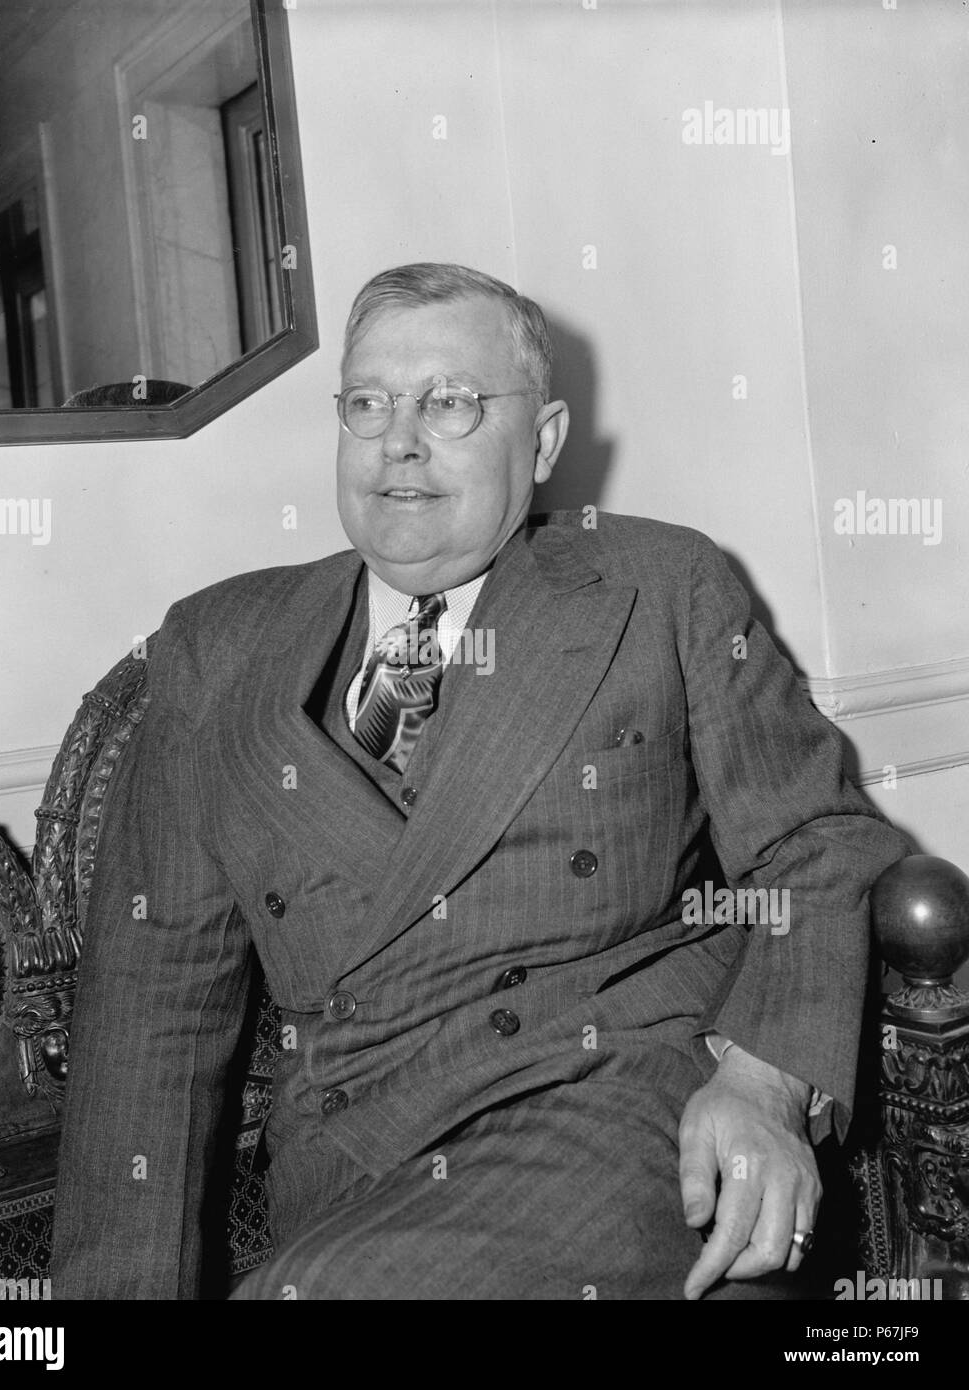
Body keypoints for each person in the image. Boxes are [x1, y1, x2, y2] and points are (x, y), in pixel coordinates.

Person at [51, 263, 908, 1301]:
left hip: (607, 1099)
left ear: (541, 442)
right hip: (358, 1163)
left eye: (450, 403)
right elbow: (151, 1016)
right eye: (367, 403)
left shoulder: (655, 585)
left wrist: (765, 1078)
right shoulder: (217, 647)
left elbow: (818, 843)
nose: (398, 440)